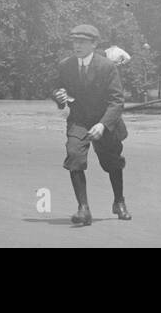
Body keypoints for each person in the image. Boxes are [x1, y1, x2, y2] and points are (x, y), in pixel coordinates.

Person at [51, 24, 131, 225]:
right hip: (79, 120)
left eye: (82, 42)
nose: (77, 45)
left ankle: (119, 201)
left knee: (112, 162)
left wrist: (103, 125)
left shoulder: (106, 66)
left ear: (94, 44)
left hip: (105, 121)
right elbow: (59, 90)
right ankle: (83, 209)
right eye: (75, 41)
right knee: (74, 156)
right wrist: (59, 97)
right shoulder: (65, 65)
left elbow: (116, 101)